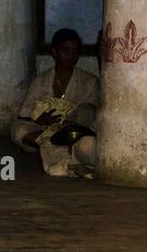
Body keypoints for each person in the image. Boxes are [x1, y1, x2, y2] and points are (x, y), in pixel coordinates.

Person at [11, 28, 99, 177]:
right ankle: (67, 159)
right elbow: (24, 115)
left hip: (76, 131)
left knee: (77, 137)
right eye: (65, 50)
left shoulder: (89, 81)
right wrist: (40, 119)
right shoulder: (41, 81)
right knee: (17, 129)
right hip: (44, 129)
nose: (70, 56)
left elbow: (93, 113)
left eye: (75, 51)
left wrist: (73, 119)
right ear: (55, 52)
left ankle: (61, 159)